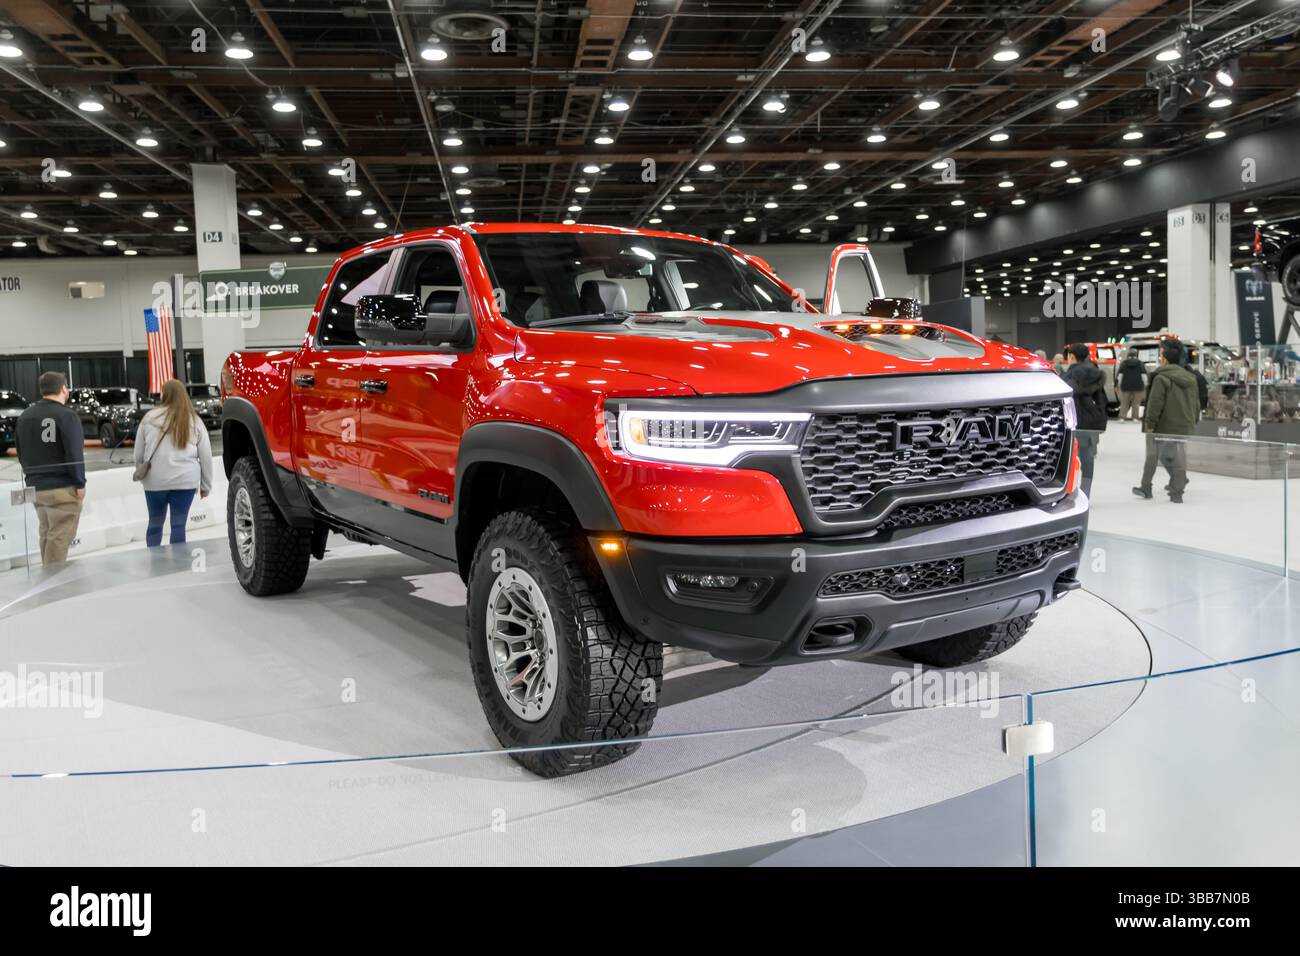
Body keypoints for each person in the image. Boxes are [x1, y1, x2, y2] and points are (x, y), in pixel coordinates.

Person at [14, 371, 86, 564]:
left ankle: (47, 578)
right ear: (63, 388)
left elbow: (20, 452)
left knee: (47, 534)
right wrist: (80, 483)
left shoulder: (25, 416)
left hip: (35, 486)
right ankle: (53, 587)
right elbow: (74, 453)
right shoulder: (67, 415)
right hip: (61, 487)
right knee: (60, 538)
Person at [133, 378, 213, 547]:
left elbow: (138, 454)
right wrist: (206, 486)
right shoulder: (194, 420)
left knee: (154, 525)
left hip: (155, 482)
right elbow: (206, 456)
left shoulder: (149, 418)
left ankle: (154, 563)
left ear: (164, 395)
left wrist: (143, 475)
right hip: (185, 481)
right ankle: (178, 568)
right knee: (178, 526)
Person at [1133, 343, 1200, 503]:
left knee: (1152, 455)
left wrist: (1149, 424)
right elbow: (1196, 403)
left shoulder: (1161, 377)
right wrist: (1194, 420)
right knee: (1175, 456)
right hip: (1185, 424)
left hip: (1163, 426)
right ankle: (1178, 488)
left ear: (1164, 360)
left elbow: (1155, 404)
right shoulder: (1191, 378)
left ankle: (1146, 487)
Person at [1062, 343, 1107, 496]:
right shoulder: (1096, 375)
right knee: (1087, 458)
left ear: (1072, 356)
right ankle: (1086, 491)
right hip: (1091, 423)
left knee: (1068, 457)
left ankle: (1068, 491)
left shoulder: (1067, 377)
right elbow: (1102, 401)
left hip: (1072, 423)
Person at [1115, 347, 1146, 422]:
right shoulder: (1140, 363)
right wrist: (1145, 384)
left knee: (1124, 402)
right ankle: (1135, 418)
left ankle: (1122, 417)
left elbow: (1120, 375)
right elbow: (1143, 375)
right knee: (1136, 403)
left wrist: (1118, 384)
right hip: (1138, 385)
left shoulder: (1124, 363)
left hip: (1125, 385)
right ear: (1136, 355)